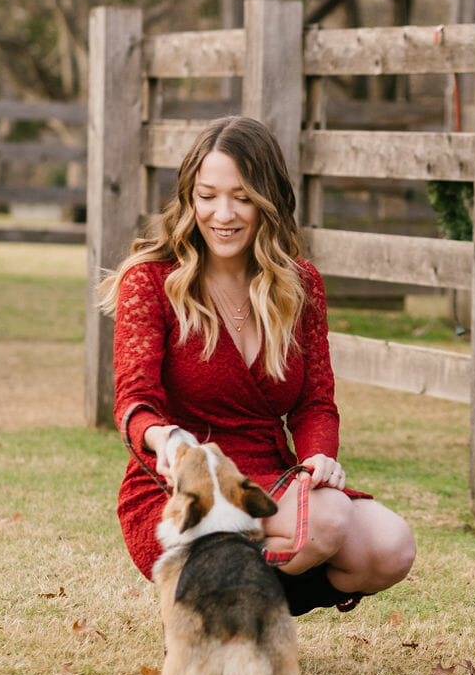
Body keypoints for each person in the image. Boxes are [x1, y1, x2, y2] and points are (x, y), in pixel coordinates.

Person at [99, 114, 415, 613]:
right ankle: (211, 601)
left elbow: (315, 404)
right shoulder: (152, 281)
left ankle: (240, 609)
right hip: (185, 483)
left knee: (390, 546)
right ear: (188, 198)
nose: (222, 214)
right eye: (207, 196)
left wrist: (316, 458)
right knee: (327, 520)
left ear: (268, 200)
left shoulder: (300, 283)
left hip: (274, 475)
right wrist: (165, 441)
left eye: (242, 197)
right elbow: (134, 402)